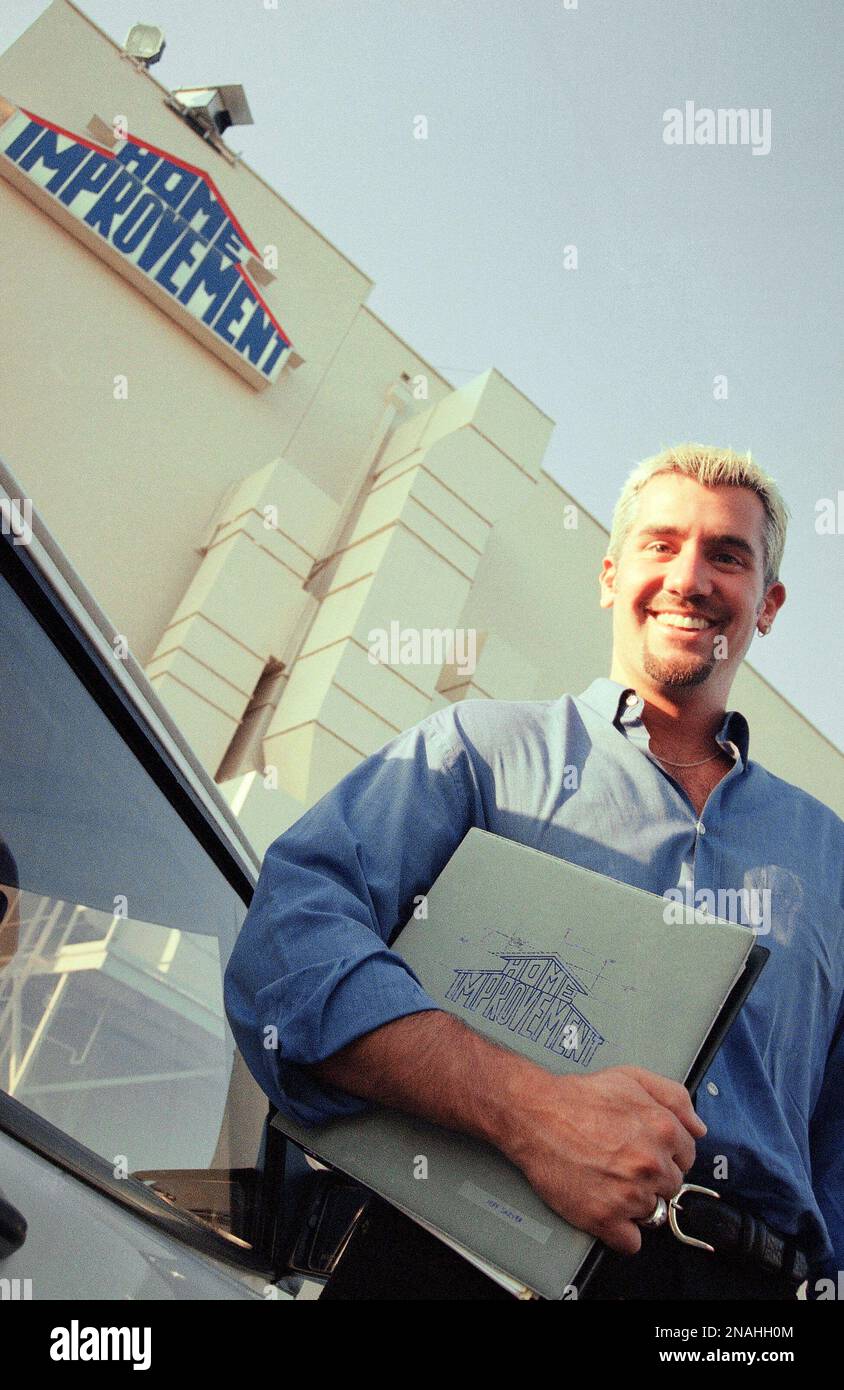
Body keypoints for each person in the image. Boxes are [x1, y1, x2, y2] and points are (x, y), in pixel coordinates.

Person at [224, 444, 843, 1300]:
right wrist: (528, 1108)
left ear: (767, 605)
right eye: (661, 545)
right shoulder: (474, 753)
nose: (691, 577)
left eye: (727, 555)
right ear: (609, 572)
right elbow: (287, 949)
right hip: (453, 1254)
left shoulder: (833, 860)